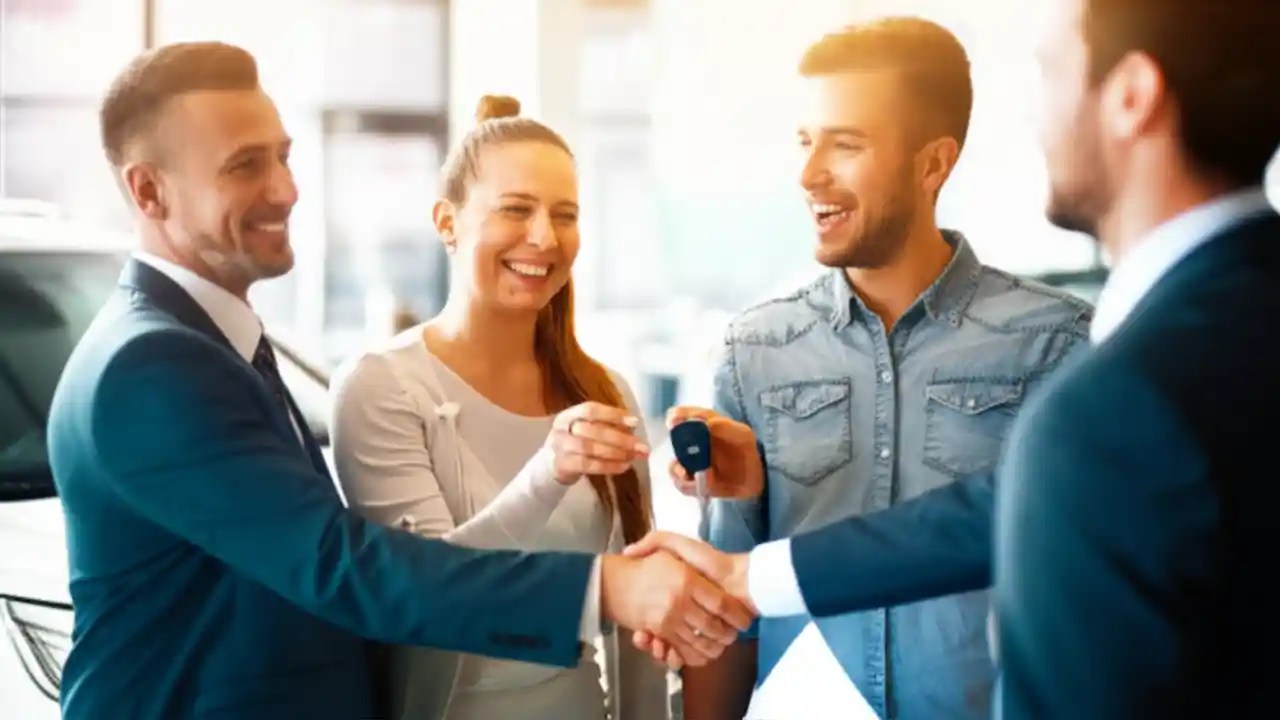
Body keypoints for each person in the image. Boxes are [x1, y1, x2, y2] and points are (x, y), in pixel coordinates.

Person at [45, 42, 751, 720]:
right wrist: (605, 587)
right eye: (245, 166)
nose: (287, 190)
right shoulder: (153, 365)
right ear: (148, 190)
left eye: (285, 158)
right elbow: (344, 569)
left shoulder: (215, 345)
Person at [637, 1, 1280, 717]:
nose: (1034, 119)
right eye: (803, 140)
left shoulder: (1104, 378)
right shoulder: (1193, 345)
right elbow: (991, 515)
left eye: (1050, 73)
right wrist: (744, 575)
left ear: (1132, 97)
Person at [643, 17, 1092, 720]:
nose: (808, 173)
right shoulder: (754, 350)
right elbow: (728, 614)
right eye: (804, 141)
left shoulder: (1055, 343)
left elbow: (1077, 589)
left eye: (845, 144)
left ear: (933, 164)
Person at [329, 95, 667, 720]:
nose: (544, 236)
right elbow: (426, 596)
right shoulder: (382, 389)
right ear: (447, 222)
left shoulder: (605, 393)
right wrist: (549, 473)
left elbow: (639, 614)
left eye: (564, 215)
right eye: (516, 209)